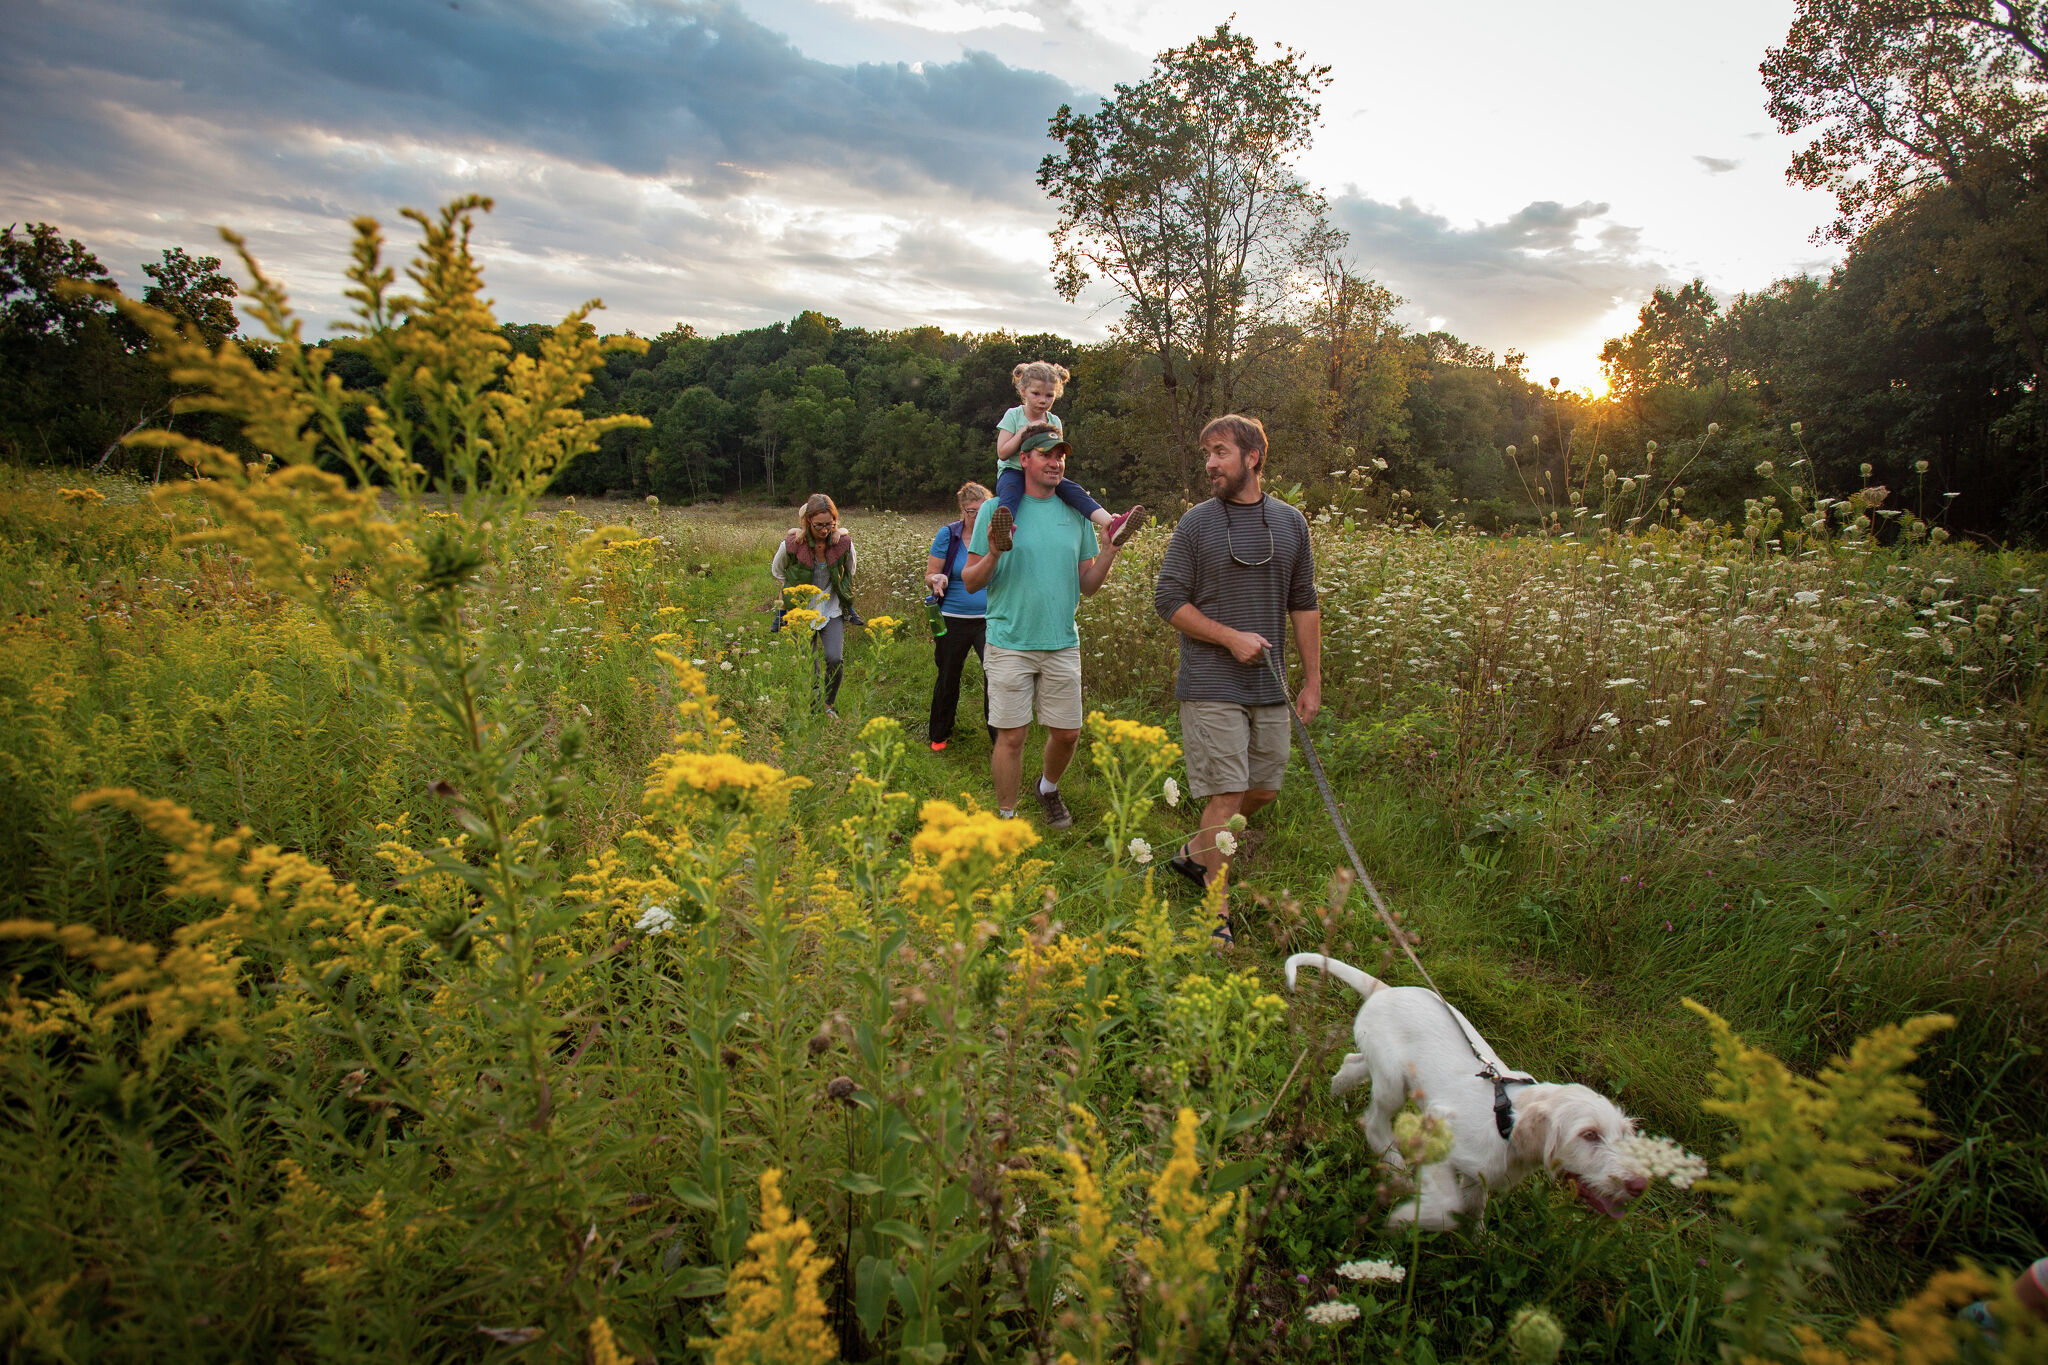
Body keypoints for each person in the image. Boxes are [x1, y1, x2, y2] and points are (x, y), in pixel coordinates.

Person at [1153, 414, 1322, 943]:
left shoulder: (1291, 524)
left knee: (1263, 790)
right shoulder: (1196, 524)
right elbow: (1168, 600)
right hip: (1210, 683)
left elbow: (1304, 603)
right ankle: (1215, 913)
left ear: (1253, 457)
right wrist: (1228, 638)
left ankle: (1193, 853)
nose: (1210, 463)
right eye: (1207, 453)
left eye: (1220, 452)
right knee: (1226, 794)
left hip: (1269, 687)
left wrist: (1312, 680)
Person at [961, 429, 1130, 828]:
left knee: (1068, 733)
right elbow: (969, 582)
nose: (1056, 462)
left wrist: (1109, 551)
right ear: (1024, 460)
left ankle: (1048, 788)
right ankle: (1006, 817)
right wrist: (995, 554)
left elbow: (1088, 586)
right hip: (1009, 641)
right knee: (1012, 737)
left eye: (1061, 456)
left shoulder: (1076, 514)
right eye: (1046, 455)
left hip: (1061, 641)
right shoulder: (996, 510)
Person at [987, 360, 1146, 554]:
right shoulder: (1013, 415)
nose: (1043, 400)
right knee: (1010, 491)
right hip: (1013, 471)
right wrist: (1025, 430)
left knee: (1075, 491)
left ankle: (1112, 524)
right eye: (1036, 394)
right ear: (1023, 391)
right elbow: (1002, 453)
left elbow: (1057, 454)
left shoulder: (1054, 420)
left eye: (1049, 395)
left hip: (1044, 474)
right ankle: (1004, 531)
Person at [770, 493, 858, 716]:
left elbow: (850, 569)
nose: (824, 530)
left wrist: (841, 591)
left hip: (831, 608)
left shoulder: (843, 543)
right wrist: (792, 589)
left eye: (830, 524)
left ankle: (828, 705)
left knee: (835, 658)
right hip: (801, 609)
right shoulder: (791, 544)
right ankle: (813, 704)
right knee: (808, 661)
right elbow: (777, 571)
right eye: (819, 525)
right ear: (808, 520)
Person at [924, 481, 996, 752]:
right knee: (948, 675)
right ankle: (939, 735)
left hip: (990, 619)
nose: (976, 516)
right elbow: (930, 574)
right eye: (971, 511)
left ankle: (1000, 740)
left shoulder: (997, 537)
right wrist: (937, 579)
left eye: (982, 510)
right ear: (962, 511)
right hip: (952, 618)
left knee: (997, 676)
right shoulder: (949, 535)